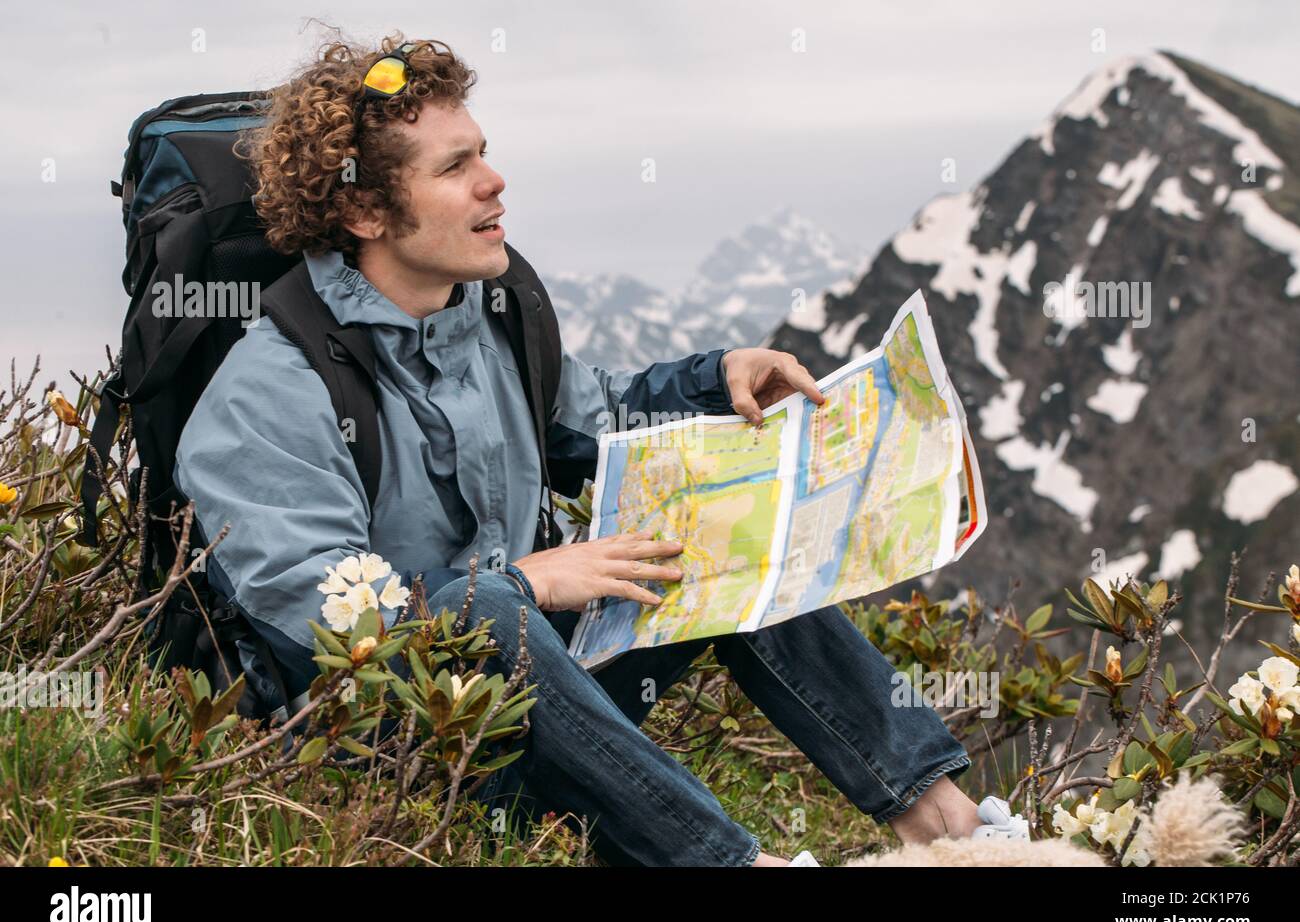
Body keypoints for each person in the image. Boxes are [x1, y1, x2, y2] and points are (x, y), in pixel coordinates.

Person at [175, 32, 1023, 866]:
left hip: (529, 714)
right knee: (489, 613)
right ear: (363, 211)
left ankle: (953, 832)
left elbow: (597, 417)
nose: (494, 180)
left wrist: (716, 378)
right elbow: (332, 625)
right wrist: (521, 585)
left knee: (712, 520)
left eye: (485, 153)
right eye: (453, 167)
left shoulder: (490, 320)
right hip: (379, 757)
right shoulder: (265, 397)